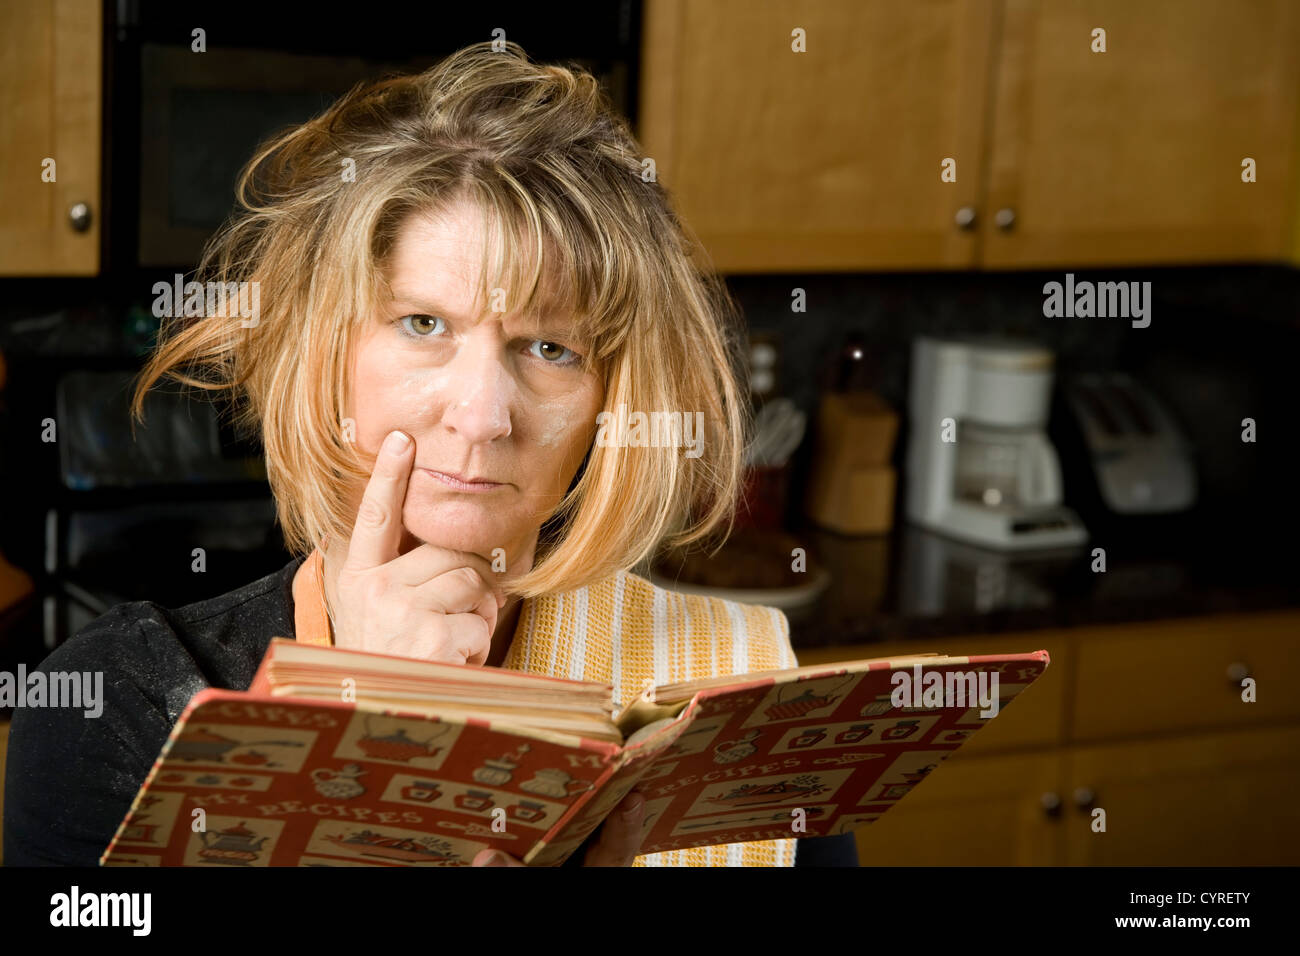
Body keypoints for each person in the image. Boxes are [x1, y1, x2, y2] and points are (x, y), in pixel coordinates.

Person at [3, 41, 856, 868]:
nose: (483, 414)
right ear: (324, 355)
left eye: (550, 348)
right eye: (423, 325)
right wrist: (362, 760)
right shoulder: (117, 706)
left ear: (612, 403)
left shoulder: (740, 715)